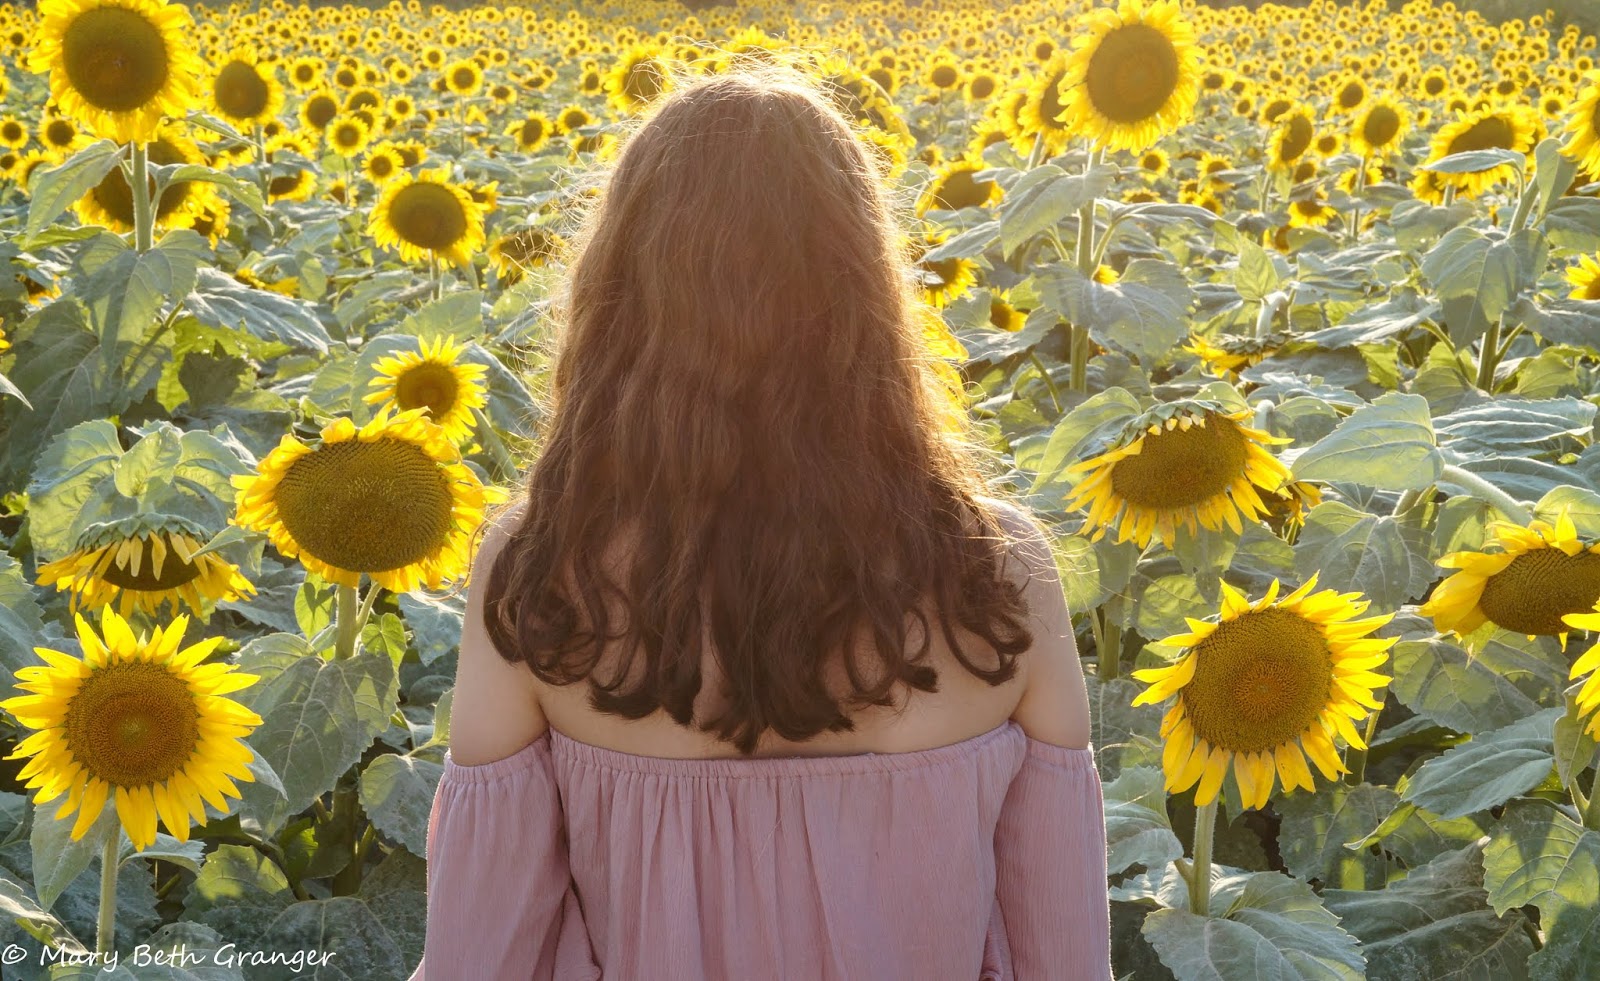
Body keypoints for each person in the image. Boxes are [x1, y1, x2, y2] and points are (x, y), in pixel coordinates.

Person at [407, 60, 1111, 981]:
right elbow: (1064, 962)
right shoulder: (1001, 572)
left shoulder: (542, 574)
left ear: (620, 297)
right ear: (868, 297)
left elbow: (480, 960)